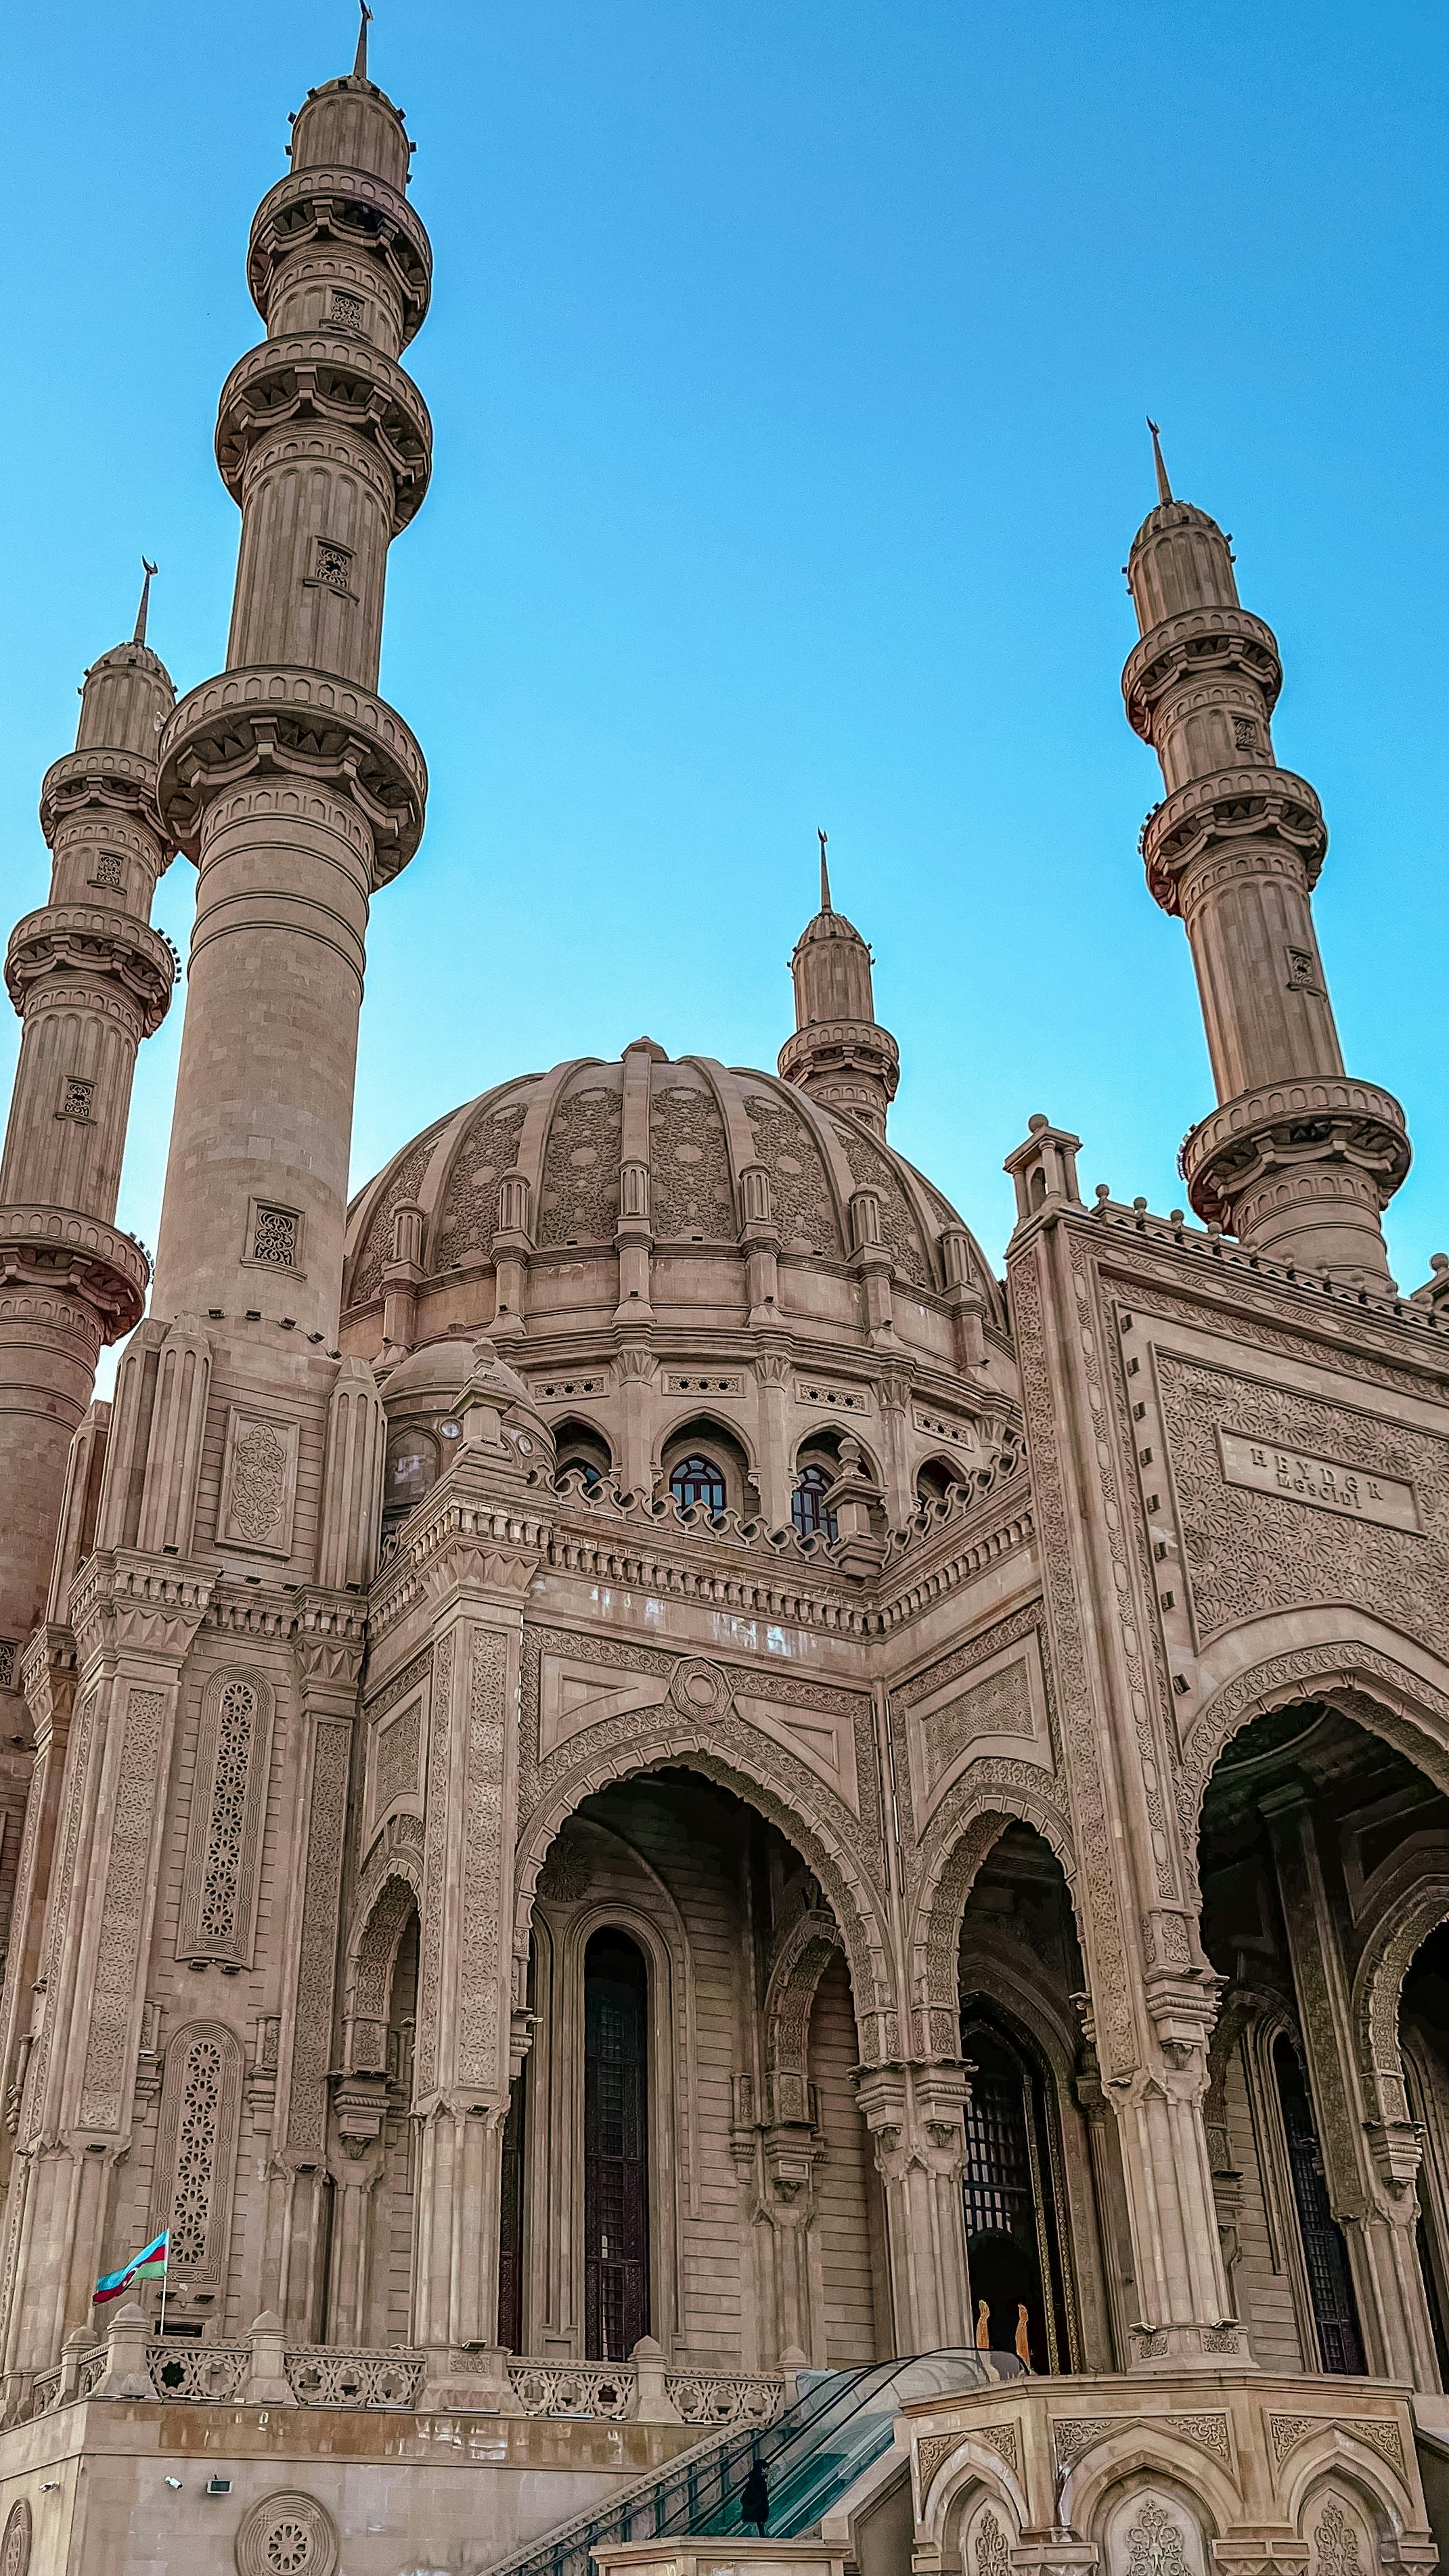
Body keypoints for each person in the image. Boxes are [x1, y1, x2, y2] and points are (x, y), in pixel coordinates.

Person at [740, 2460, 770, 2536]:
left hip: (752, 2513)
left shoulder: (754, 2481)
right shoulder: (760, 2482)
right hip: (757, 2513)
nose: (767, 2471)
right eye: (765, 2469)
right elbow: (762, 2499)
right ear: (762, 2469)